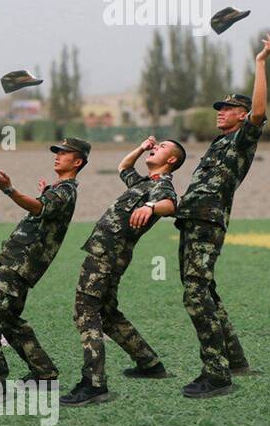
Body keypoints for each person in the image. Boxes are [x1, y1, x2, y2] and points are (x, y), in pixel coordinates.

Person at [173, 32, 270, 399]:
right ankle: (235, 360)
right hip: (192, 221)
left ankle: (216, 374)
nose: (220, 112)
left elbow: (261, 112)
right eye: (219, 108)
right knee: (207, 290)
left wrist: (260, 63)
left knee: (195, 293)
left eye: (228, 108)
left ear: (243, 116)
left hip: (207, 222)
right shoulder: (218, 143)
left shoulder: (242, 139)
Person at [60, 137, 184, 406]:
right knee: (107, 313)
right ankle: (149, 363)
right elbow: (123, 167)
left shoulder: (161, 184)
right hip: (109, 253)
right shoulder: (143, 182)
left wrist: (150, 206)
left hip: (107, 254)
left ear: (171, 160)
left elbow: (171, 205)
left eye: (161, 147)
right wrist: (140, 148)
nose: (155, 148)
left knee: (85, 311)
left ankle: (93, 384)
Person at [0, 138, 89, 386]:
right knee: (8, 319)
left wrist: (8, 189)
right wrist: (46, 192)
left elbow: (39, 209)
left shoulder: (66, 190)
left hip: (22, 264)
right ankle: (44, 373)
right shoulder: (60, 190)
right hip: (20, 262)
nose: (57, 156)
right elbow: (45, 208)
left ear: (77, 161)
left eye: (64, 153)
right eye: (57, 152)